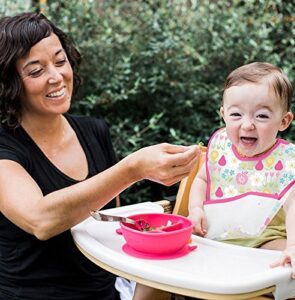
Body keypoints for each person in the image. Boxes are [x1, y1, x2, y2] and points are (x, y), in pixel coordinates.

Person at [0, 12, 200, 300]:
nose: (56, 77)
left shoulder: (94, 132)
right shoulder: (6, 146)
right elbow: (40, 220)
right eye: (35, 71)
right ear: (9, 84)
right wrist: (133, 168)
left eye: (60, 61)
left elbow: (109, 225)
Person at [188, 62, 295, 282]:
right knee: (163, 254)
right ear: (223, 114)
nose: (247, 124)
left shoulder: (287, 162)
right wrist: (195, 209)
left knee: (290, 264)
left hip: (264, 239)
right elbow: (202, 179)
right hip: (212, 235)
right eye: (236, 114)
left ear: (284, 121)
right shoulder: (221, 148)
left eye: (262, 116)